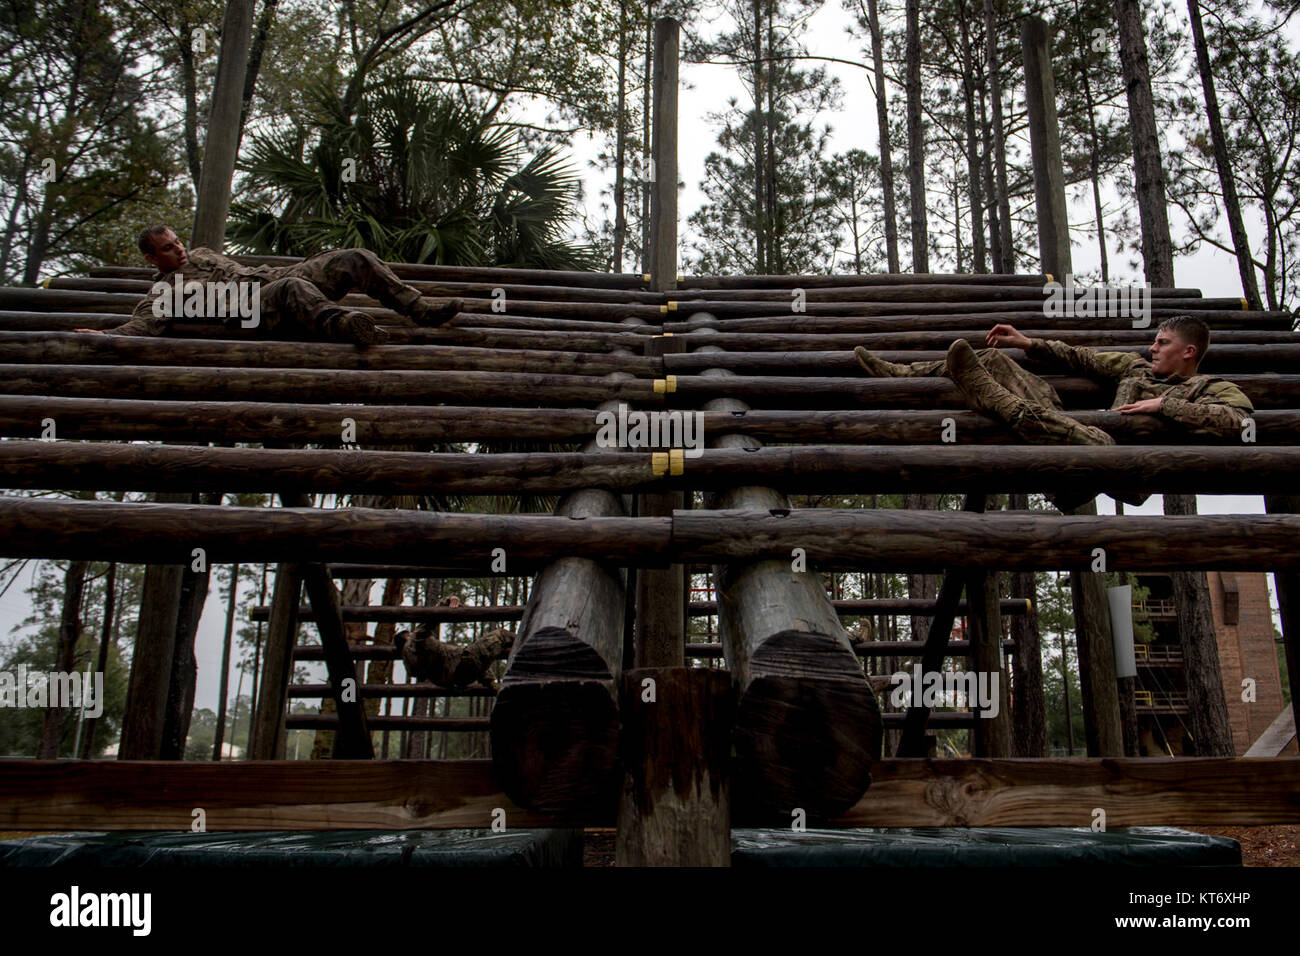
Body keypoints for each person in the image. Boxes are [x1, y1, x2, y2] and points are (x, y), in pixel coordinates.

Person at [853, 315, 1254, 511]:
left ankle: (993, 399)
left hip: (1122, 471)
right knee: (992, 358)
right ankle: (901, 373)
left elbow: (1240, 423)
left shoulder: (1210, 387)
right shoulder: (1135, 368)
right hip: (1065, 445)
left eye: (1163, 343)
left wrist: (1165, 405)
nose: (1152, 348)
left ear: (1189, 353)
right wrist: (1027, 342)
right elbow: (1082, 357)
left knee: (1101, 442)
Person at [75, 225, 462, 345]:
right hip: (251, 308)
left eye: (177, 242)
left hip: (270, 278)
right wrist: (106, 335)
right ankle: (348, 326)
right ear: (151, 259)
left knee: (352, 257)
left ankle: (420, 309)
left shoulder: (203, 253)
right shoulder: (162, 292)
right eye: (167, 249)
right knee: (292, 287)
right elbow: (142, 325)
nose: (178, 250)